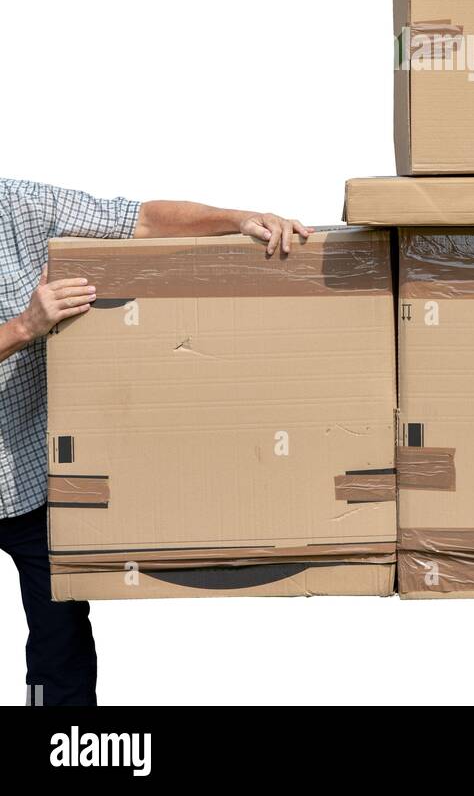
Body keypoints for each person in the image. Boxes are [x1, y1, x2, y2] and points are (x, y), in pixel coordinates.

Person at [0, 177, 311, 706]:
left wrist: (238, 219)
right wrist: (25, 325)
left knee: (61, 641)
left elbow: (138, 219)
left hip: (26, 472)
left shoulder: (16, 203)